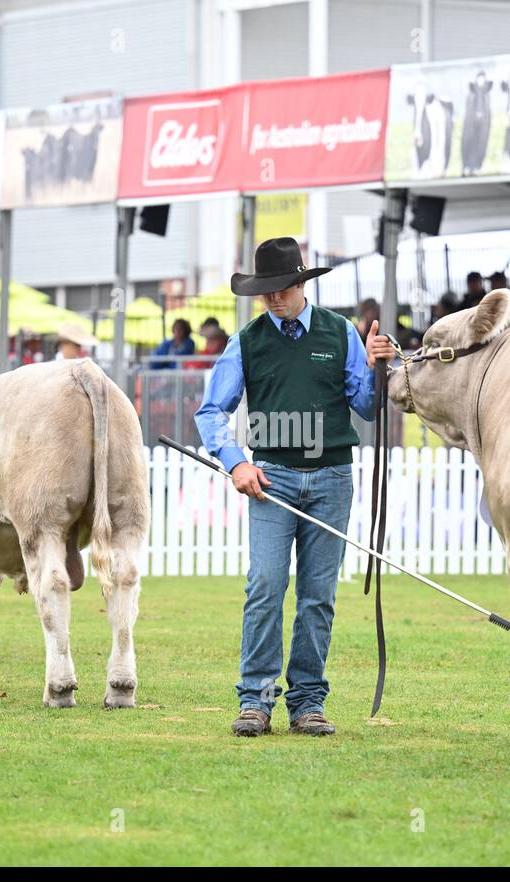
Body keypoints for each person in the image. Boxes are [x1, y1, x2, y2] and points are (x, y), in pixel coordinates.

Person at [194, 237, 395, 738]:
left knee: (317, 596)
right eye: (264, 291)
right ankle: (256, 701)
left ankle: (308, 702)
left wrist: (376, 367)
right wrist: (236, 462)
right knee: (265, 585)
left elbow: (368, 406)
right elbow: (211, 411)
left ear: (301, 284)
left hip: (332, 477)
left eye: (280, 288)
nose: (272, 299)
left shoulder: (342, 334)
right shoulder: (247, 340)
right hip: (271, 478)